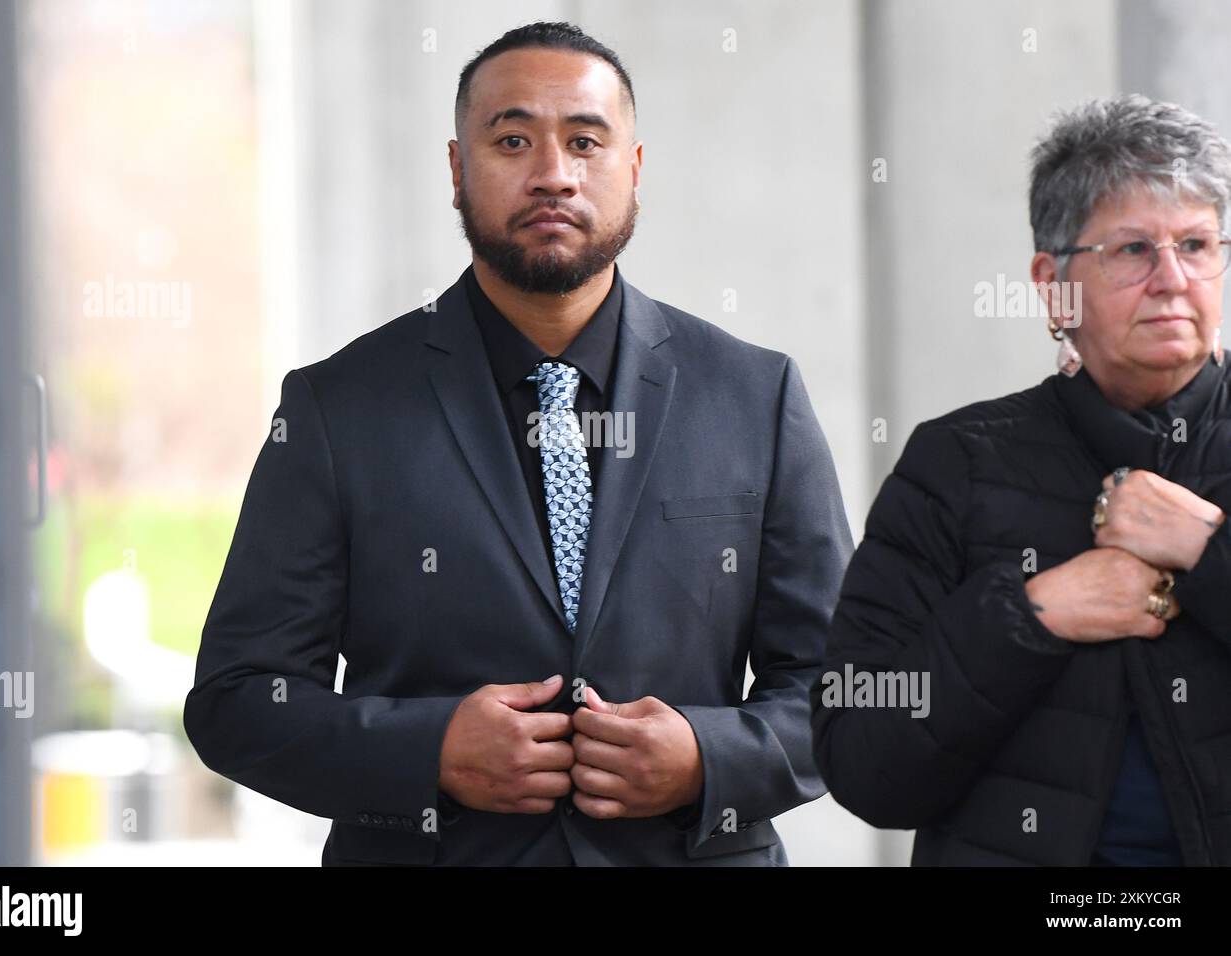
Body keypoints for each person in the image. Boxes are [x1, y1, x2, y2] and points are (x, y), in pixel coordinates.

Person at [184, 21, 852, 866]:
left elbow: (844, 691)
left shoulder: (757, 396)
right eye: (512, 140)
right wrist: (429, 752)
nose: (553, 175)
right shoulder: (335, 408)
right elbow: (237, 702)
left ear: (635, 170)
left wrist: (705, 758)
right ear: (457, 169)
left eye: (584, 140)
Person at [813, 94, 1231, 866]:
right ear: (1053, 283)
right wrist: (1030, 616)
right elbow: (863, 759)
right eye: (1133, 250)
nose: (1173, 278)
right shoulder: (959, 463)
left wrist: (1208, 552)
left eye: (1198, 245)